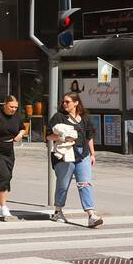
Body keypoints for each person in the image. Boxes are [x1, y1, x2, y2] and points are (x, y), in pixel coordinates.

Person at [47, 92, 104, 228]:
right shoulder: (59, 117)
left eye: (67, 102)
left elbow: (89, 137)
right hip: (66, 155)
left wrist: (92, 154)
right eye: (63, 102)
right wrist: (63, 138)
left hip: (82, 154)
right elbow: (49, 136)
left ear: (76, 103)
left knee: (85, 184)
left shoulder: (84, 118)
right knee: (63, 184)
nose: (64, 104)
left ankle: (91, 215)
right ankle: (58, 211)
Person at [0, 94, 26, 220]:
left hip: (9, 151)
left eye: (16, 107)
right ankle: (3, 206)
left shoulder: (16, 116)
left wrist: (20, 134)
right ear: (5, 104)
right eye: (11, 106)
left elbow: (23, 128)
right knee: (4, 175)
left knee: (6, 176)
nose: (13, 109)